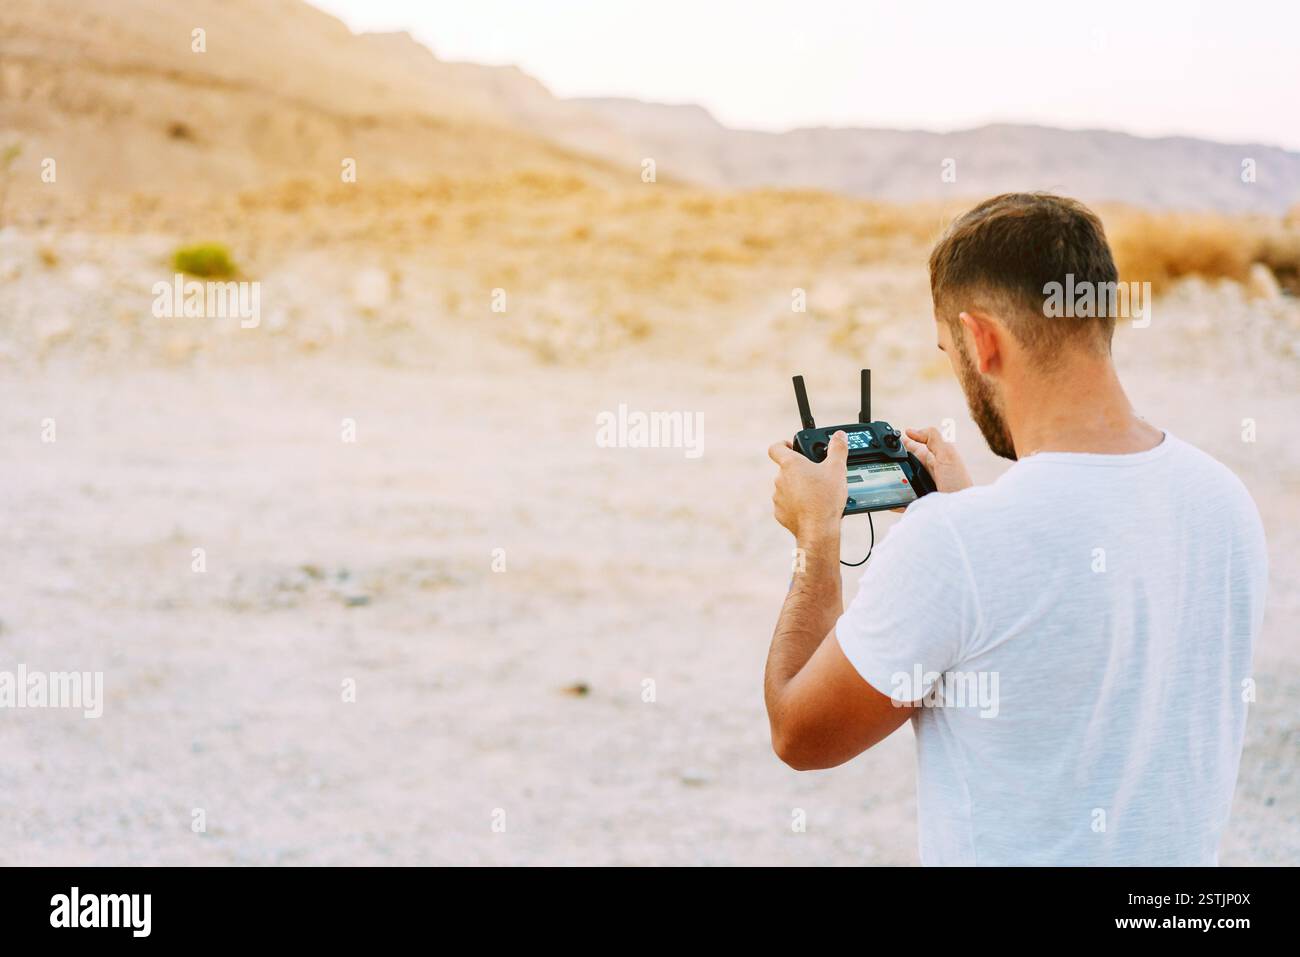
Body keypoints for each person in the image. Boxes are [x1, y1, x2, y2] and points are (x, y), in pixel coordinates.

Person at [764, 193, 1268, 865]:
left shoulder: (957, 544)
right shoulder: (1223, 497)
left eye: (948, 350)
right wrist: (968, 521)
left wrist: (816, 538)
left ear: (981, 339)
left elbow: (800, 733)